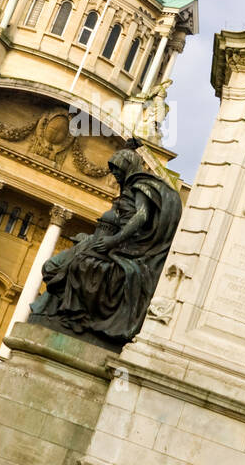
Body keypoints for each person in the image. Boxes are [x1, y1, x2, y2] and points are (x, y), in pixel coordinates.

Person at [28, 147, 182, 347]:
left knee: (77, 265)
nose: (114, 173)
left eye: (117, 168)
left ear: (127, 166)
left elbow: (142, 215)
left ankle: (74, 315)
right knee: (56, 266)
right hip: (112, 243)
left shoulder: (140, 185)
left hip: (127, 247)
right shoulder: (128, 189)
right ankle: (62, 312)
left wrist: (114, 240)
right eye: (112, 168)